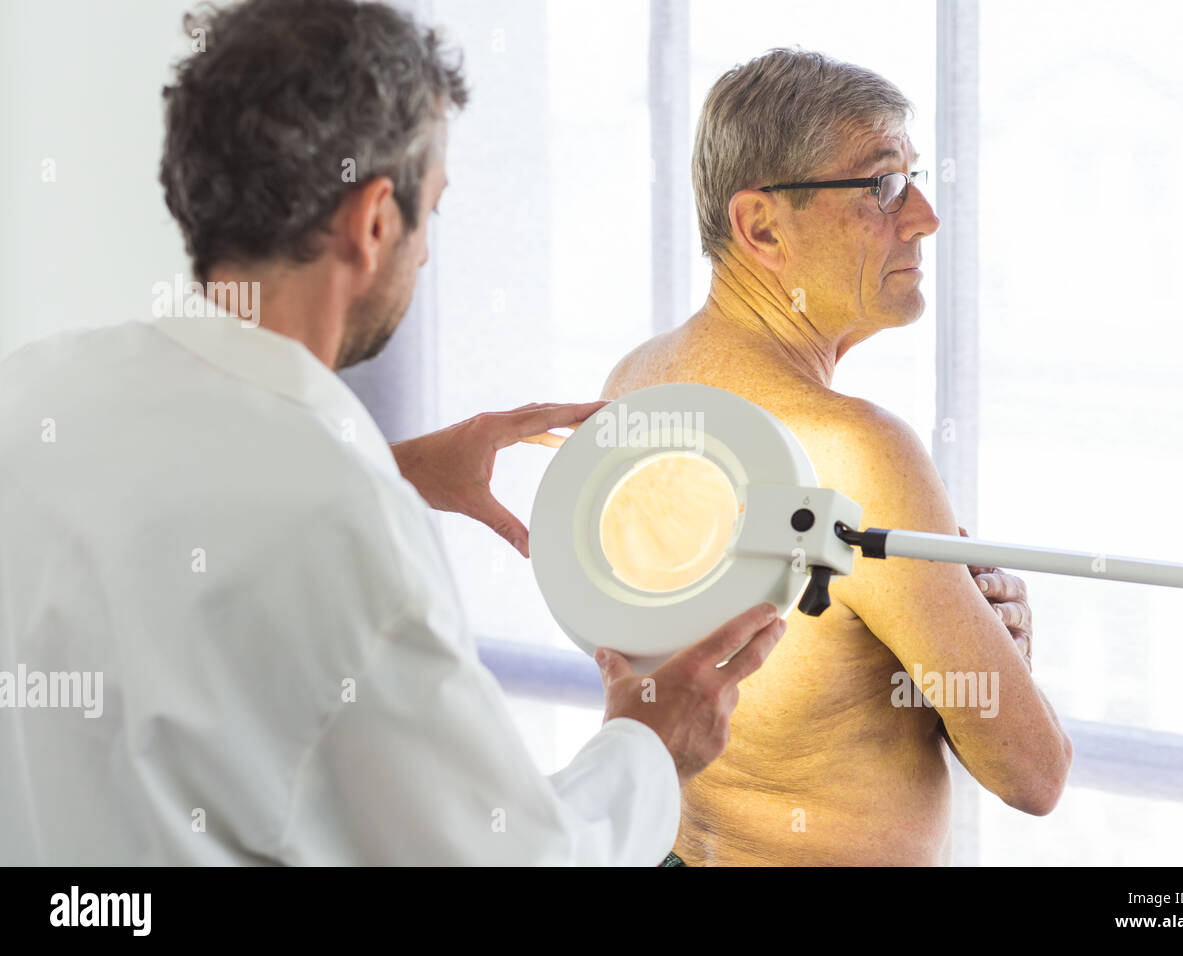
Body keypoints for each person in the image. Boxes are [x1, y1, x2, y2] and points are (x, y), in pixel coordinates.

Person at [0, 0, 786, 866]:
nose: (423, 254)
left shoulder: (32, 392)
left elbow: (166, 530)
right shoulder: (344, 523)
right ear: (376, 222)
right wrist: (649, 746)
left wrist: (390, 468)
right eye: (432, 213)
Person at [603, 49, 1072, 866]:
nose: (923, 214)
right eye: (881, 184)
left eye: (914, 177)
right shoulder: (856, 450)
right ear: (761, 227)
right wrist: (1006, 661)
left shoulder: (638, 381)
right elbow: (1033, 775)